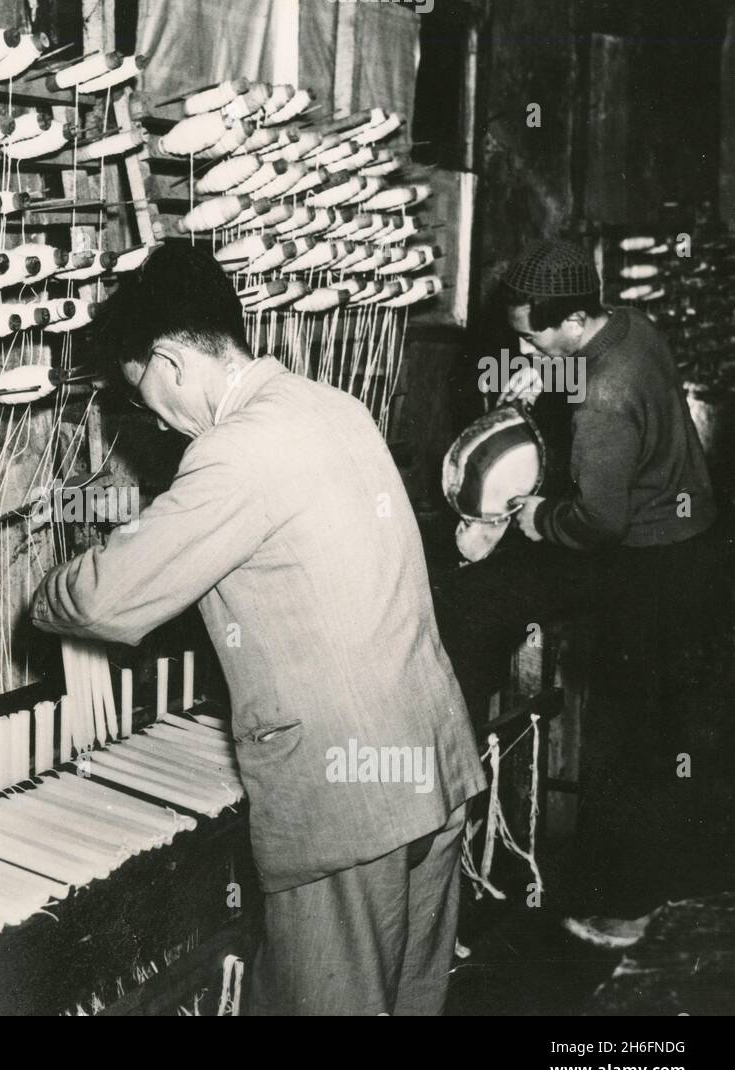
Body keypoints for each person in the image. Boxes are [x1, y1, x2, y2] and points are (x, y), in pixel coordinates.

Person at [30, 242, 485, 1015]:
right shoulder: (330, 405)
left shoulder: (235, 450)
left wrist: (44, 590)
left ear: (171, 361)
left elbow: (104, 598)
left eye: (141, 396)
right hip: (431, 770)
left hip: (350, 806)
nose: (156, 421)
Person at [501, 239, 728, 927]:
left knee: (623, 742)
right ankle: (679, 883)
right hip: (700, 548)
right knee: (674, 731)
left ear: (568, 322)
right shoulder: (630, 324)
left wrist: (538, 517)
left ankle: (619, 908)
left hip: (650, 572)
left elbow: (599, 520)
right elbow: (607, 371)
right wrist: (553, 375)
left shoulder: (599, 401)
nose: (525, 351)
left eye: (529, 338)